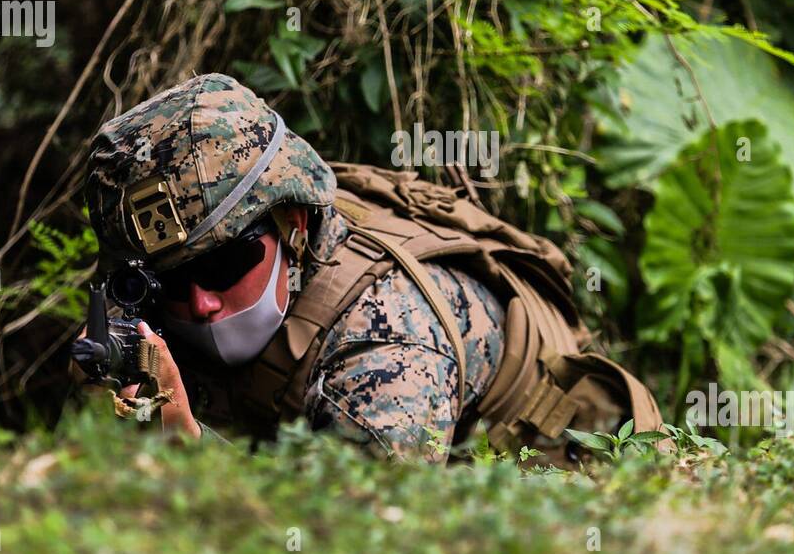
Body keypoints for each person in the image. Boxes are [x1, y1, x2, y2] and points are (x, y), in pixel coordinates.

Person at [79, 73, 662, 464]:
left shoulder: (388, 344)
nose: (202, 303)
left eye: (229, 263)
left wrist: (183, 440)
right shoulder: (167, 302)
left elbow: (351, 550)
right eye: (171, 282)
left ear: (295, 226)